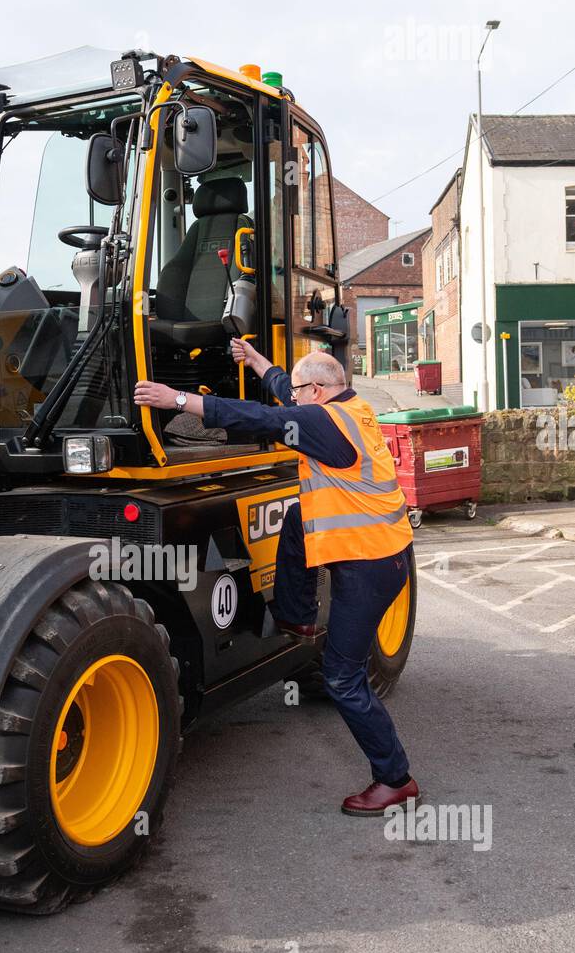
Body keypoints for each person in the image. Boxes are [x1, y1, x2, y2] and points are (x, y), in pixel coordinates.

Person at [133, 342, 419, 817]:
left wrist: (175, 399)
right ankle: (300, 617)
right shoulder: (352, 407)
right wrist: (257, 361)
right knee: (294, 519)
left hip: (367, 567)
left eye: (303, 392)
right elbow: (285, 391)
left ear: (321, 391)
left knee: (343, 678)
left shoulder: (322, 423)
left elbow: (254, 416)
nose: (293, 398)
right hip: (386, 554)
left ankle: (396, 780)